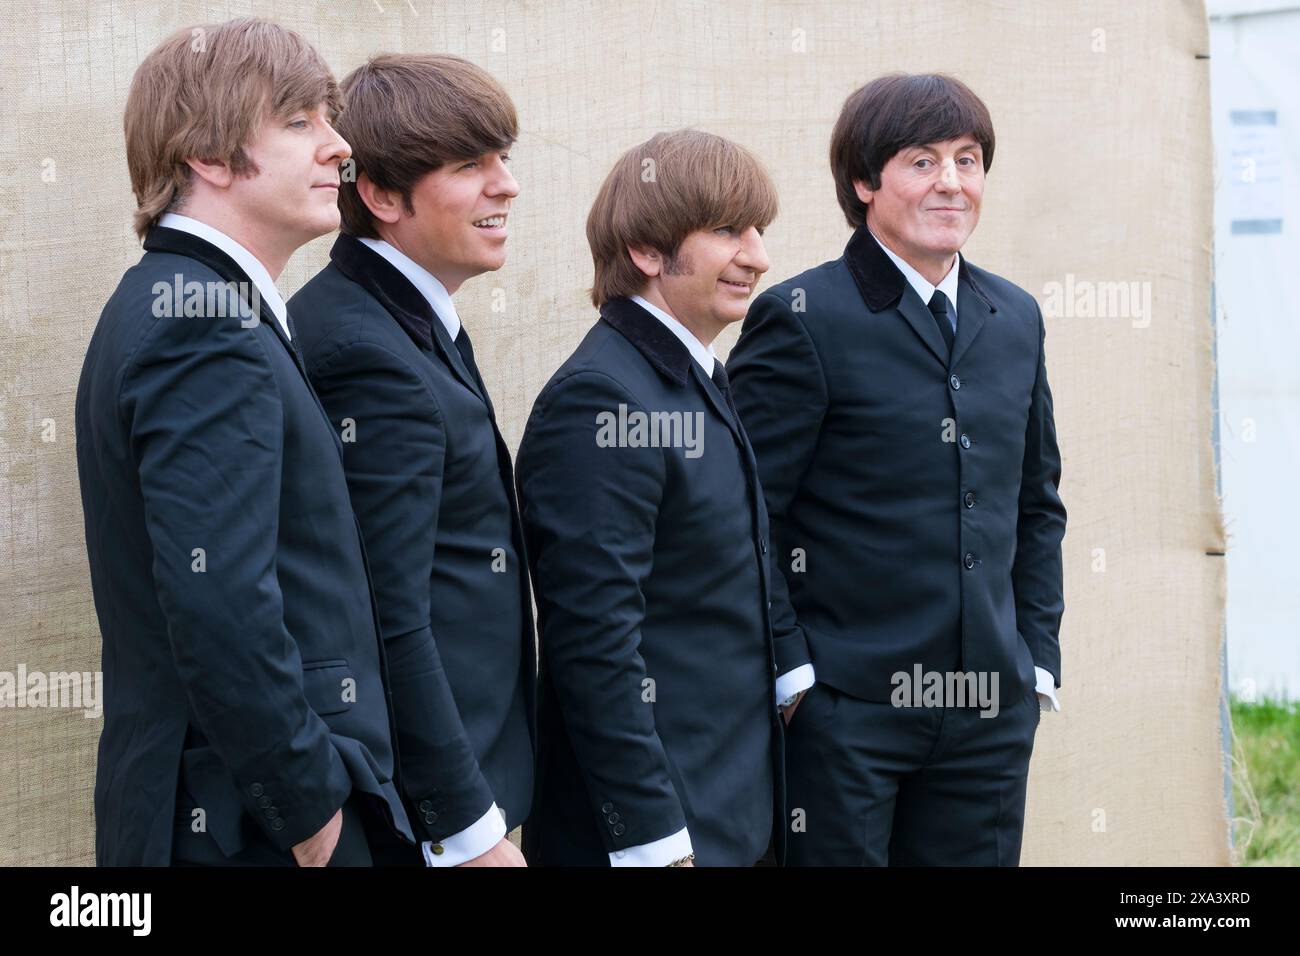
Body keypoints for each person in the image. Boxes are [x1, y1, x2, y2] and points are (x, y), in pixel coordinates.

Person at [77, 17, 411, 866]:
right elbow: (220, 604)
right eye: (299, 122)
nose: (340, 147)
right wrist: (313, 821)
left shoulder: (198, 303)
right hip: (241, 832)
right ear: (211, 158)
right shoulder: (203, 322)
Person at [727, 74, 1067, 866]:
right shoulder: (802, 317)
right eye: (922, 161)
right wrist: (795, 673)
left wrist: (1036, 659)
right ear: (863, 181)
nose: (952, 181)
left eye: (968, 159)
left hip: (990, 708)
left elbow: (1035, 504)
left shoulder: (1015, 315)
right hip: (846, 713)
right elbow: (745, 513)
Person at [289, 54, 534, 867]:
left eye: (503, 158)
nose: (506, 185)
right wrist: (465, 827)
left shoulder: (405, 318)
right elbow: (388, 611)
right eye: (471, 166)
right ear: (382, 196)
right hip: (427, 811)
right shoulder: (365, 348)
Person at [516, 130, 785, 866]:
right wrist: (651, 838)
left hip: (728, 810)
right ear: (646, 251)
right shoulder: (603, 398)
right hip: (657, 836)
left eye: (759, 231)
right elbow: (595, 644)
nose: (758, 256)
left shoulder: (694, 373)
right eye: (729, 230)